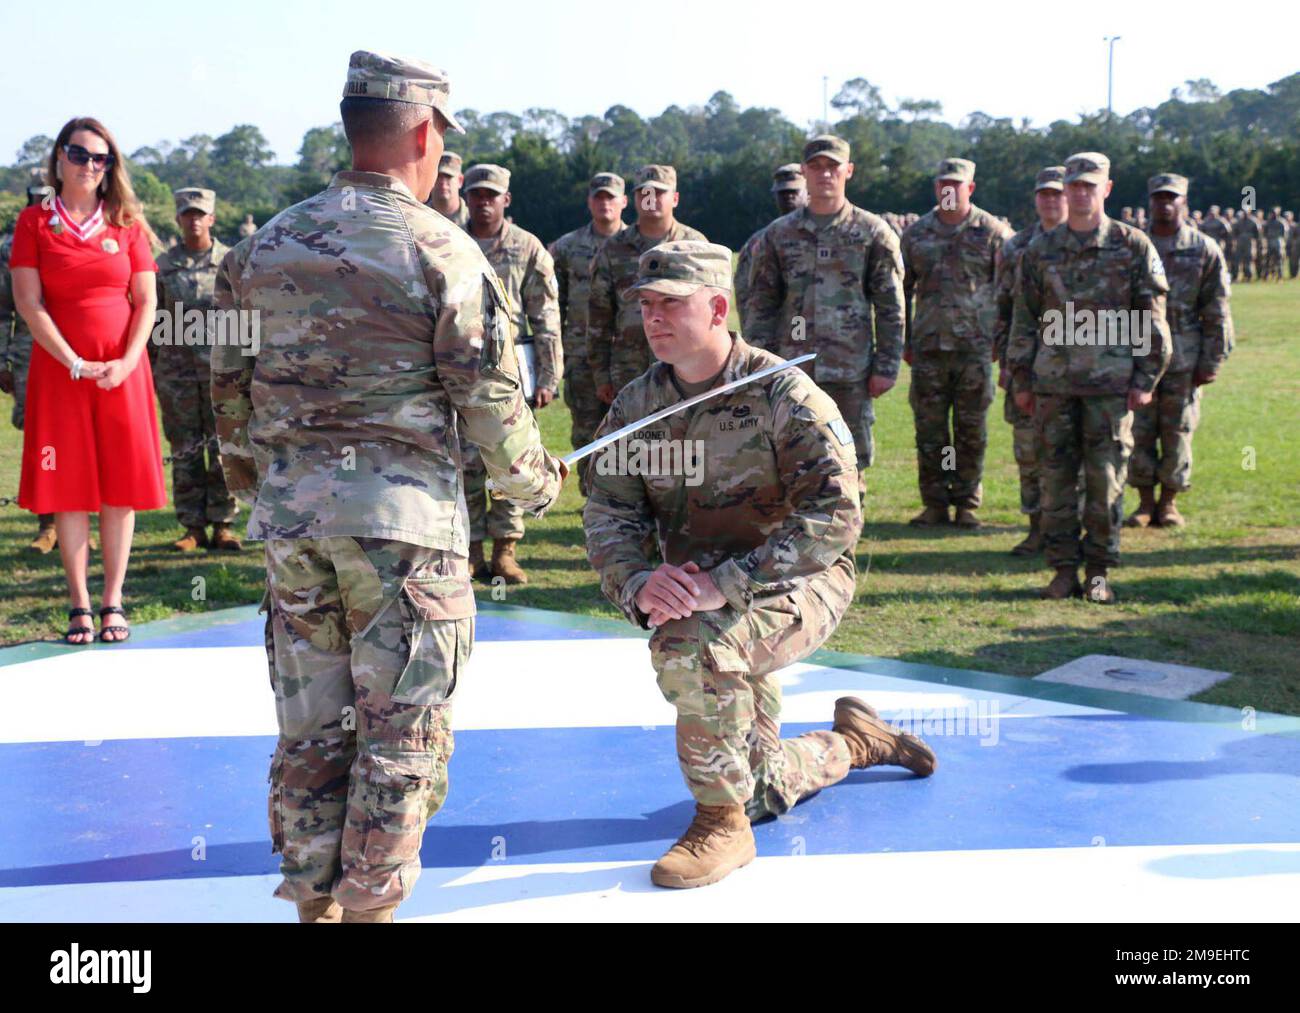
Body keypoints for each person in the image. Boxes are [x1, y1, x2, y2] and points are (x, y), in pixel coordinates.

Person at [211, 51, 564, 924]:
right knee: (400, 738)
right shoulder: (443, 247)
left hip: (294, 527)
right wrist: (532, 482)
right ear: (422, 131)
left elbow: (227, 391)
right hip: (405, 531)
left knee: (311, 733)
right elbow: (486, 395)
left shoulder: (262, 247)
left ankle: (313, 904)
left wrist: (264, 487)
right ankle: (369, 912)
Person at [583, 241, 936, 890]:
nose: (652, 317)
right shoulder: (638, 407)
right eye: (645, 304)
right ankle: (856, 742)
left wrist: (724, 585)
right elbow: (610, 510)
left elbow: (834, 516)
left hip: (798, 580)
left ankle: (720, 826)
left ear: (718, 308)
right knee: (759, 782)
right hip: (698, 590)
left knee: (689, 648)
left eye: (671, 303)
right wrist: (637, 581)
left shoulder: (784, 396)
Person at [10, 118, 165, 644]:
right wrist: (72, 361)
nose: (90, 166)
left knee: (118, 489)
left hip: (122, 373)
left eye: (101, 158)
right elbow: (29, 305)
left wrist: (123, 362)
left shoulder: (125, 221)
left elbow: (146, 303)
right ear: (59, 159)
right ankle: (78, 603)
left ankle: (112, 600)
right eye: (79, 155)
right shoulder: (33, 222)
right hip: (60, 373)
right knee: (69, 488)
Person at [1008, 152, 1171, 603]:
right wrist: (1021, 378)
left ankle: (1098, 572)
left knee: (1105, 482)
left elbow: (1151, 317)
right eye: (1074, 186)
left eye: (1089, 185)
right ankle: (1062, 570)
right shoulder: (1040, 249)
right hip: (1054, 385)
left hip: (1110, 387)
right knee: (1055, 482)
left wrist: (1145, 376)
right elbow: (1026, 317)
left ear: (1107, 189)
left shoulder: (1131, 245)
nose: (1080, 193)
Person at [746, 134, 905, 502]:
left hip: (851, 369)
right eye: (815, 167)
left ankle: (845, 547)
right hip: (792, 369)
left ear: (848, 171)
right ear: (803, 172)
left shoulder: (871, 232)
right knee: (790, 457)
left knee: (849, 459)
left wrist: (887, 365)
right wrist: (758, 365)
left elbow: (890, 306)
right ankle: (798, 548)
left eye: (832, 167)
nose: (824, 175)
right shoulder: (779, 235)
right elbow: (761, 305)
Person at [459, 163, 562, 584]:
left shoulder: (527, 247)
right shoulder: (449, 240)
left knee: (511, 459)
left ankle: (505, 551)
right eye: (477, 195)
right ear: (467, 198)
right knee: (464, 465)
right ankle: (470, 551)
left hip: (512, 370)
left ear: (506, 199)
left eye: (491, 195)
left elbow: (546, 314)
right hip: (461, 367)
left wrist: (549, 376)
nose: (484, 203)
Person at [900, 158, 1005, 529]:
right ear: (936, 188)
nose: (949, 191)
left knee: (970, 431)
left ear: (970, 189)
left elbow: (1008, 291)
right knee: (932, 433)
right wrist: (904, 341)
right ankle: (936, 502)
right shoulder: (916, 235)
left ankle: (966, 502)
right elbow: (901, 292)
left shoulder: (992, 233)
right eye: (943, 184)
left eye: (956, 185)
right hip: (928, 351)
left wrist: (1000, 341)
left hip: (975, 351)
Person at [1125, 174, 1232, 528]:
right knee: (1138, 431)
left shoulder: (1203, 249)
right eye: (1159, 198)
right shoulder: (1134, 245)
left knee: (1178, 430)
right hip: (1138, 355)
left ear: (1185, 202)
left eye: (1172, 198)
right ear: (1150, 201)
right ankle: (1143, 502)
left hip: (1184, 357)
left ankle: (1169, 502)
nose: (1165, 204)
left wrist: (1212, 360)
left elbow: (1217, 310)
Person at [153, 187, 240, 551]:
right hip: (177, 375)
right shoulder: (163, 265)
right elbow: (152, 316)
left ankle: (223, 524)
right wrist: (151, 365)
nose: (194, 220)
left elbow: (241, 314)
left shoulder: (230, 261)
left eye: (200, 214)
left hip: (220, 373)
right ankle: (192, 527)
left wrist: (243, 371)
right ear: (178, 219)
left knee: (222, 448)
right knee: (185, 449)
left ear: (212, 219)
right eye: (187, 214)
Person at [993, 165, 1068, 555]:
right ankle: (1037, 526)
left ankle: (1072, 530)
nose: (1051, 200)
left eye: (1058, 193)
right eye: (1045, 193)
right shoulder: (1016, 247)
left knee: (1074, 452)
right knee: (1028, 449)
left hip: (1077, 371)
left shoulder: (1088, 243)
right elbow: (1003, 308)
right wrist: (1007, 361)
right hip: (1028, 365)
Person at [587, 165, 707, 404]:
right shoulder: (613, 249)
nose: (650, 199)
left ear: (675, 198)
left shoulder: (695, 246)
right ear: (633, 199)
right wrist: (601, 376)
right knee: (634, 440)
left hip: (686, 368)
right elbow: (599, 318)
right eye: (644, 193)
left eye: (658, 192)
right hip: (629, 372)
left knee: (689, 439)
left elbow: (710, 312)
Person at [548, 171, 627, 496]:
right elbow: (554, 305)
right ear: (589, 202)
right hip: (581, 358)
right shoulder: (567, 248)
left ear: (624, 201)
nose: (604, 203)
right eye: (598, 197)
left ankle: (626, 505)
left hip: (628, 357)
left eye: (611, 197)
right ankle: (592, 503)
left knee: (629, 435)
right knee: (586, 435)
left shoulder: (635, 247)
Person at [1, 179, 59, 553]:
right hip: (29, 354)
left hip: (79, 354)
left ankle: (79, 521)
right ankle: (48, 523)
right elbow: (1, 310)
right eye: (37, 199)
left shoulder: (81, 237)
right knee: (43, 440)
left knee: (81, 438)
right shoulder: (8, 248)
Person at [734, 163, 807, 329]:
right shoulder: (759, 241)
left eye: (793, 192)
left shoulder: (826, 235)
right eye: (782, 193)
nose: (788, 197)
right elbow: (745, 292)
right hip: (780, 335)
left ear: (807, 192)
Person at [426, 150, 469, 229]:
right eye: (438, 176)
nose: (442, 182)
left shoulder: (473, 222)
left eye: (448, 176)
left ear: (460, 181)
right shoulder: (419, 218)